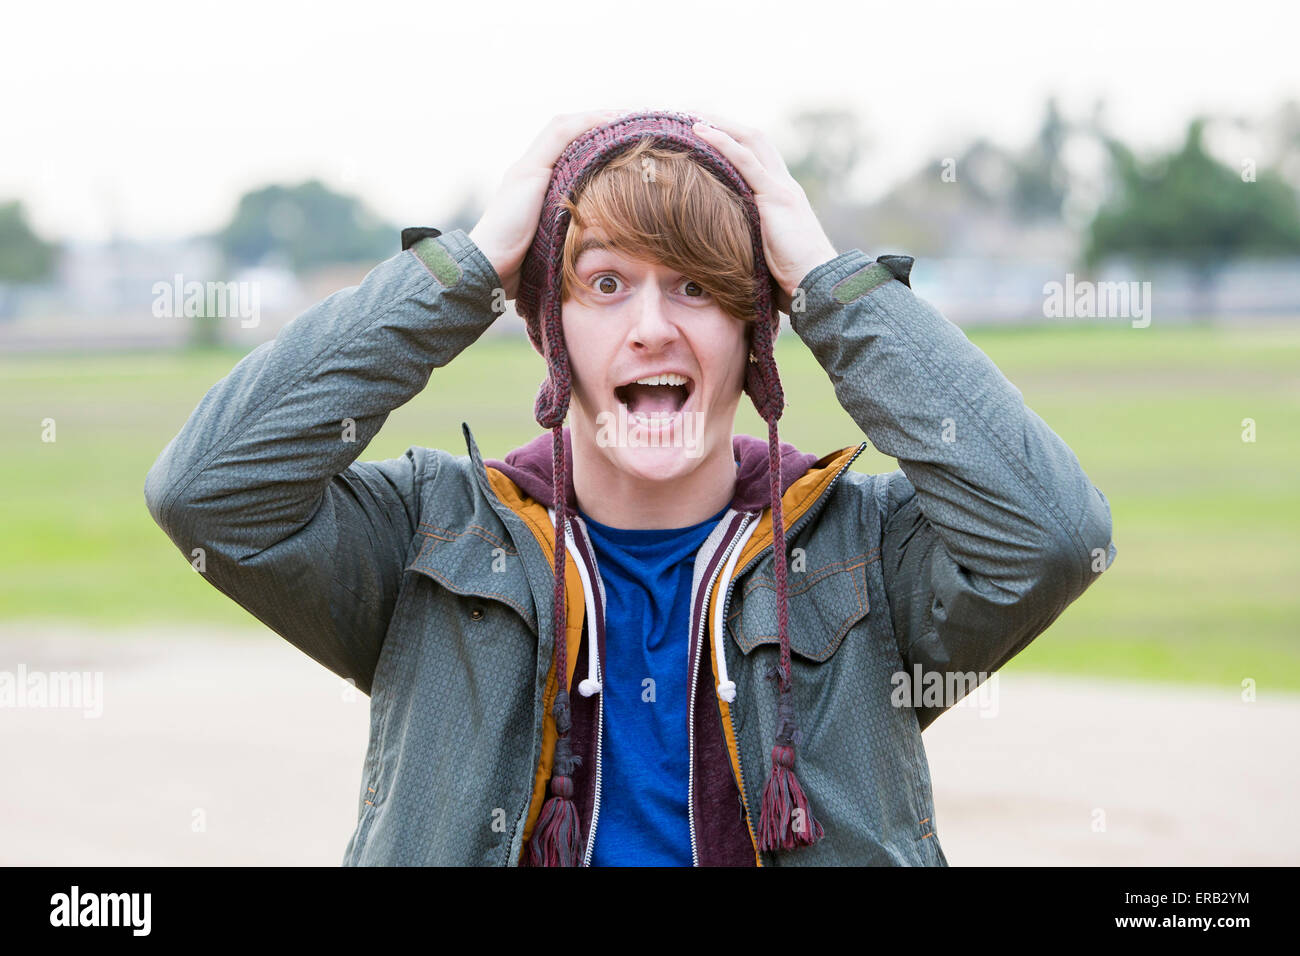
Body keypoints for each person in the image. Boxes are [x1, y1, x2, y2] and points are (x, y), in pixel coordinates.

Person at [144, 109, 1116, 866]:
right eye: (605, 285)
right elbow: (208, 493)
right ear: (551, 334)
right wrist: (469, 271)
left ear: (752, 333)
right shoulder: (428, 535)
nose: (652, 326)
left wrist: (826, 283)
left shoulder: (859, 547)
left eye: (698, 286)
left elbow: (1053, 535)